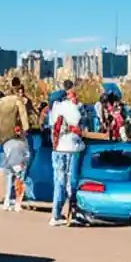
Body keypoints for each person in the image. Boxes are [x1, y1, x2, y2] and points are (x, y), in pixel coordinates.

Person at [48, 89, 84, 227]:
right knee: (71, 180)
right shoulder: (72, 108)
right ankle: (73, 212)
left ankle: (56, 214)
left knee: (59, 181)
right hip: (70, 149)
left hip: (57, 150)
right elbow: (78, 125)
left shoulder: (54, 110)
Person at [0, 124, 31, 211]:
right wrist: (24, 163)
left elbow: (3, 154)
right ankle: (17, 204)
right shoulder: (24, 143)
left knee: (8, 184)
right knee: (19, 183)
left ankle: (6, 203)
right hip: (19, 164)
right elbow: (27, 156)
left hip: (8, 165)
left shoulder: (7, 143)